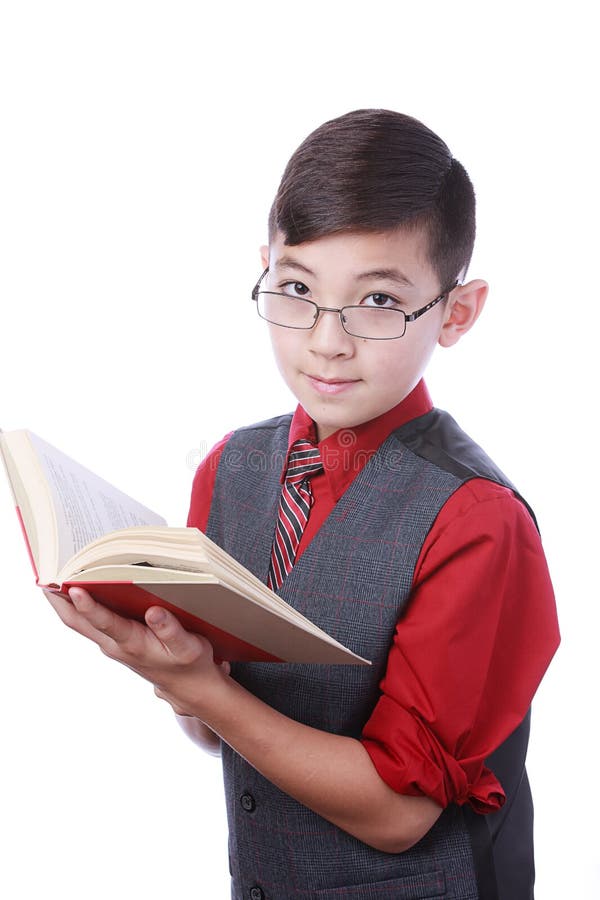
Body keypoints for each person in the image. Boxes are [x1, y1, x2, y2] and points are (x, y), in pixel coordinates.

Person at [47, 109, 560, 899]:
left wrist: (203, 690)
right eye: (296, 289)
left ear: (456, 312)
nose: (326, 340)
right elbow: (218, 731)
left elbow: (400, 812)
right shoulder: (231, 468)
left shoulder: (477, 521)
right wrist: (183, 672)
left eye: (380, 301)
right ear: (264, 269)